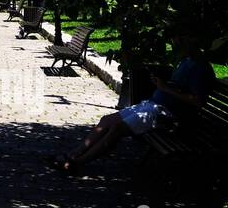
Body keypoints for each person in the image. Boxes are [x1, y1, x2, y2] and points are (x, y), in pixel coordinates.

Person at [53, 39, 214, 175]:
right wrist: (161, 83)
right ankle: (73, 154)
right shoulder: (186, 61)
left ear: (191, 41)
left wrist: (165, 88)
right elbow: (178, 86)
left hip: (166, 114)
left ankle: (78, 163)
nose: (175, 43)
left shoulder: (201, 69)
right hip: (152, 105)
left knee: (117, 128)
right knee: (107, 120)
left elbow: (197, 102)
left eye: (179, 40)